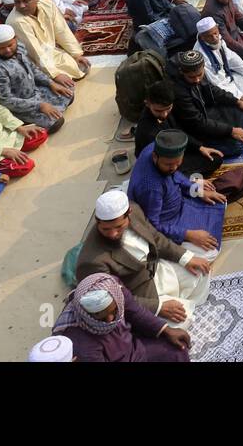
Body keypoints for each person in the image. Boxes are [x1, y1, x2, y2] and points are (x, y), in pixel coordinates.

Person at [75, 190, 212, 326]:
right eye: (106, 229)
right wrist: (158, 307)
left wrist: (185, 258)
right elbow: (113, 301)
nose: (113, 234)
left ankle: (184, 303)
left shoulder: (134, 210)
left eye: (118, 227)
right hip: (140, 295)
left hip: (160, 271)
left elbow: (156, 238)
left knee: (202, 270)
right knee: (182, 320)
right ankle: (177, 308)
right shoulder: (91, 261)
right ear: (97, 222)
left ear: (128, 214)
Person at [127, 129, 228, 255]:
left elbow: (175, 175)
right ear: (155, 157)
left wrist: (197, 190)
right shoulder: (151, 188)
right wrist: (188, 235)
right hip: (167, 220)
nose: (174, 167)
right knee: (211, 252)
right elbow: (153, 226)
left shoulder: (155, 147)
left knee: (218, 201)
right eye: (169, 164)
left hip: (173, 198)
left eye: (178, 162)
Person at [51, 272, 191, 363]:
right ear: (85, 313)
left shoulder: (115, 290)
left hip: (135, 348)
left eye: (114, 311)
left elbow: (136, 312)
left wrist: (166, 330)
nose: (110, 319)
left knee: (178, 350)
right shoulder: (79, 340)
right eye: (99, 316)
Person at [0, 22, 73, 131]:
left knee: (68, 92)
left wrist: (51, 83)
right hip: (20, 106)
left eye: (10, 45)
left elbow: (32, 68)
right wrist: (39, 105)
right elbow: (5, 101)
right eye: (1, 48)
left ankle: (48, 106)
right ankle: (25, 121)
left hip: (35, 93)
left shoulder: (19, 47)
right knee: (56, 122)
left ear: (15, 39)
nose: (7, 50)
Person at [5, 0, 90, 82]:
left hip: (50, 51)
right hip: (32, 59)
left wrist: (76, 54)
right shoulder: (16, 21)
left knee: (76, 66)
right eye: (17, 2)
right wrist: (55, 74)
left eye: (26, 1)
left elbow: (62, 30)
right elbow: (34, 51)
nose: (21, 6)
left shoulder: (47, 5)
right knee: (64, 75)